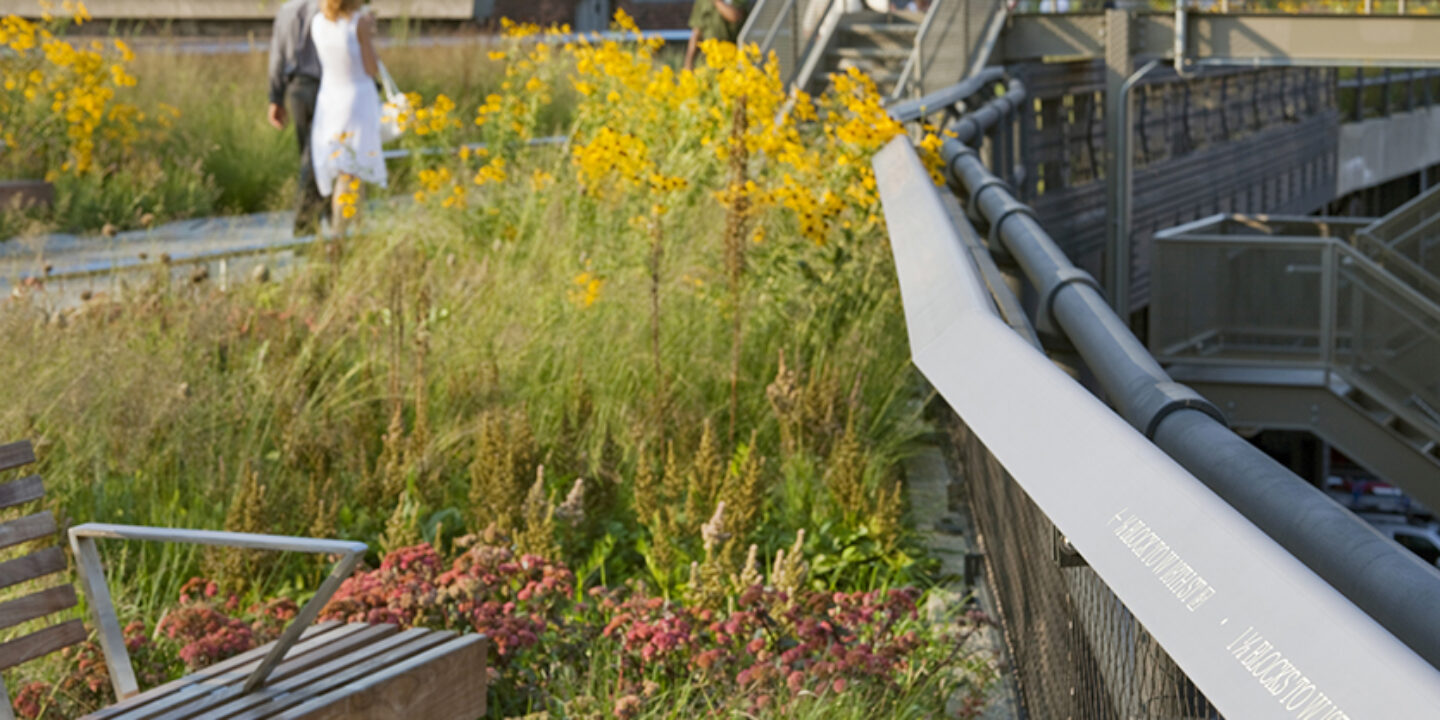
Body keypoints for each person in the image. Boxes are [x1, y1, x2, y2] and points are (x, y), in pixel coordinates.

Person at [310, 0, 387, 233]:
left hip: (330, 100)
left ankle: (351, 228)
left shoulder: (317, 23)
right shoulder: (358, 23)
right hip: (357, 99)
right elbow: (371, 68)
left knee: (347, 169)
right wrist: (369, 34)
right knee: (353, 169)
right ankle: (342, 231)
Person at [267, 0, 327, 236]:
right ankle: (306, 224)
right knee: (314, 158)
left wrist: (276, 97)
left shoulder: (286, 10)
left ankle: (313, 223)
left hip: (296, 88)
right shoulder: (328, 7)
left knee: (309, 154)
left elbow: (277, 55)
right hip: (324, 86)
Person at [684, 0, 749, 71]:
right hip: (707, 59)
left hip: (731, 59)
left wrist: (717, 1)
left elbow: (734, 16)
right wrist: (688, 62)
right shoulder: (702, 2)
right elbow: (696, 33)